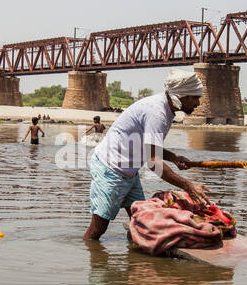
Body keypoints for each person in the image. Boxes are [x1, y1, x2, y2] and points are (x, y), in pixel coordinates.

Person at [83, 68, 210, 241]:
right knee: (98, 229)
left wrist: (173, 158)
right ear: (183, 96)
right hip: (110, 169)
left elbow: (149, 148)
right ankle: (95, 262)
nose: (198, 103)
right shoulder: (157, 113)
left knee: (140, 223)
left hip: (128, 171)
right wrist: (188, 186)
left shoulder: (165, 109)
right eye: (195, 97)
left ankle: (135, 263)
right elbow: (153, 162)